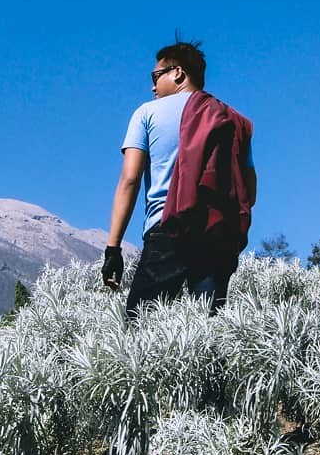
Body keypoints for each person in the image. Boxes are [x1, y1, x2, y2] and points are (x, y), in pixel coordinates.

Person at [102, 38, 257, 320]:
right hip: (218, 236)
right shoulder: (234, 120)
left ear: (178, 73)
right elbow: (249, 192)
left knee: (139, 329)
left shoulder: (147, 112)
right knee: (207, 335)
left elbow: (130, 180)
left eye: (155, 76)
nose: (152, 86)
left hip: (168, 229)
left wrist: (113, 248)